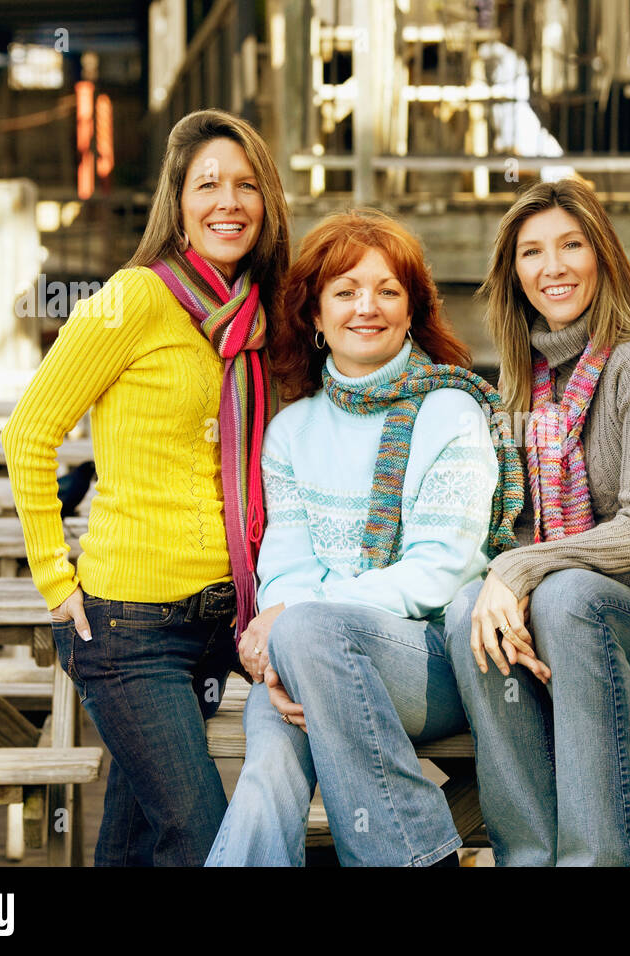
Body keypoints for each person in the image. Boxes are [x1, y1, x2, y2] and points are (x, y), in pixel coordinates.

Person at [2, 109, 290, 865]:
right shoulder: (133, 300)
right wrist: (52, 578)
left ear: (267, 204)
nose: (228, 201)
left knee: (136, 840)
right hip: (129, 627)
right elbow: (29, 432)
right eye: (208, 185)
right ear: (179, 201)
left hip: (225, 618)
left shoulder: (263, 318)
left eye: (246, 185)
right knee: (198, 833)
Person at [205, 209, 523, 867]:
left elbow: (439, 571)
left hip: (430, 660)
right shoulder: (292, 432)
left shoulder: (452, 413)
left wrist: (295, 629)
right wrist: (291, 636)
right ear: (315, 316)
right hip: (312, 653)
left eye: (387, 291)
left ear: (413, 310)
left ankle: (407, 854)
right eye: (345, 291)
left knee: (302, 634)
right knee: (268, 768)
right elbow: (286, 568)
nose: (366, 308)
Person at [443, 179, 630, 867]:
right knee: (470, 608)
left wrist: (519, 570)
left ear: (603, 255)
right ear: (513, 273)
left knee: (565, 593)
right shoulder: (525, 381)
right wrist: (502, 577)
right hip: (561, 635)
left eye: (571, 245)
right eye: (531, 252)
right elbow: (517, 530)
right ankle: (527, 857)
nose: (552, 267)